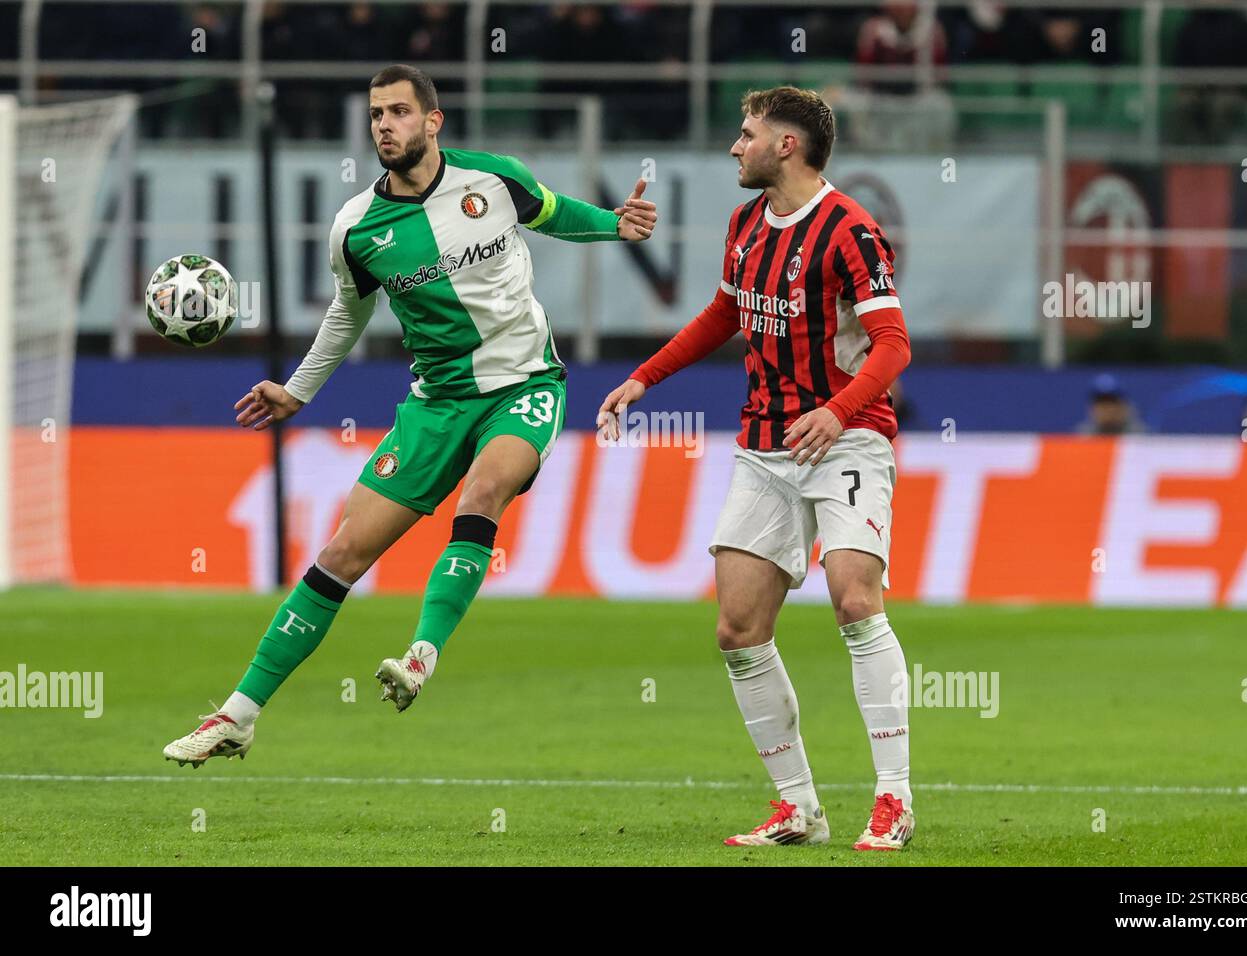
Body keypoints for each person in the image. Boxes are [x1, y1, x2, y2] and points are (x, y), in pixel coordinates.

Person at [163, 64, 657, 767]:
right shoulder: (358, 229)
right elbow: (347, 315)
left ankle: (422, 654)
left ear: (433, 121)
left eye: (398, 112)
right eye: (375, 115)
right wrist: (299, 392)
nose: (384, 125)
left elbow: (555, 213)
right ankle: (237, 716)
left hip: (524, 385)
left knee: (484, 492)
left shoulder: (495, 179)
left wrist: (617, 225)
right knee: (340, 555)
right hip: (435, 405)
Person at [597, 87, 915, 851]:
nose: (735, 147)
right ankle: (798, 807)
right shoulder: (745, 224)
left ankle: (894, 799)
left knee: (853, 599)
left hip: (847, 439)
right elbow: (724, 313)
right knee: (739, 628)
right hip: (765, 447)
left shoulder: (851, 232)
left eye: (746, 135)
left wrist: (837, 412)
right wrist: (646, 376)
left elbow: (894, 346)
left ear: (787, 146)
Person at [1076, 373, 1145, 435]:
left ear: (1124, 406)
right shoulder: (1082, 437)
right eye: (1101, 402)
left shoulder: (1141, 437)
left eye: (1112, 402)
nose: (1107, 409)